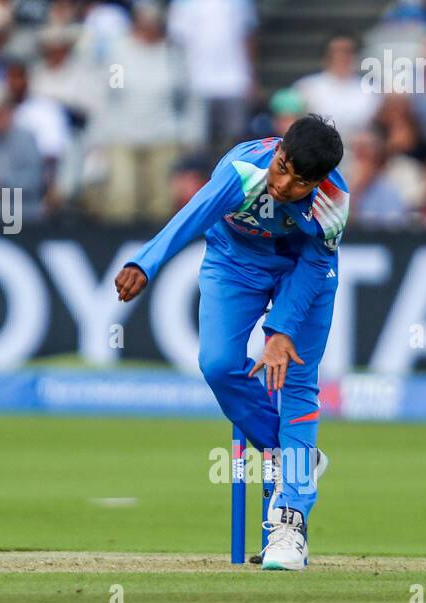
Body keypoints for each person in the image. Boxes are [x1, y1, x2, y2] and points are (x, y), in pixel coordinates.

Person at [114, 116, 346, 570]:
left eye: (299, 183)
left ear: (317, 182)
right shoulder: (244, 169)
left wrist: (281, 332)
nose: (282, 185)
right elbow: (193, 215)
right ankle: (296, 458)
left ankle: (289, 523)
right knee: (218, 364)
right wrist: (145, 263)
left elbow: (315, 267)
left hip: (302, 273)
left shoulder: (333, 200)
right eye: (282, 168)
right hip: (234, 261)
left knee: (296, 381)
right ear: (278, 151)